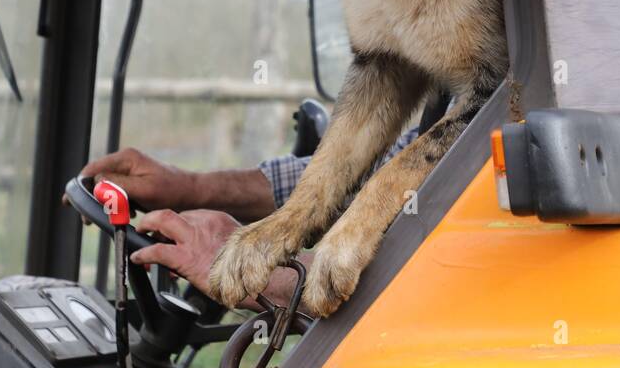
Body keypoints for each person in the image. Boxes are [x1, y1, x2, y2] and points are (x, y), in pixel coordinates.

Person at [78, 127, 421, 309]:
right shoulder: (452, 115)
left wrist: (267, 274)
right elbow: (373, 171)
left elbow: (434, 274)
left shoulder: (473, 115)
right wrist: (189, 187)